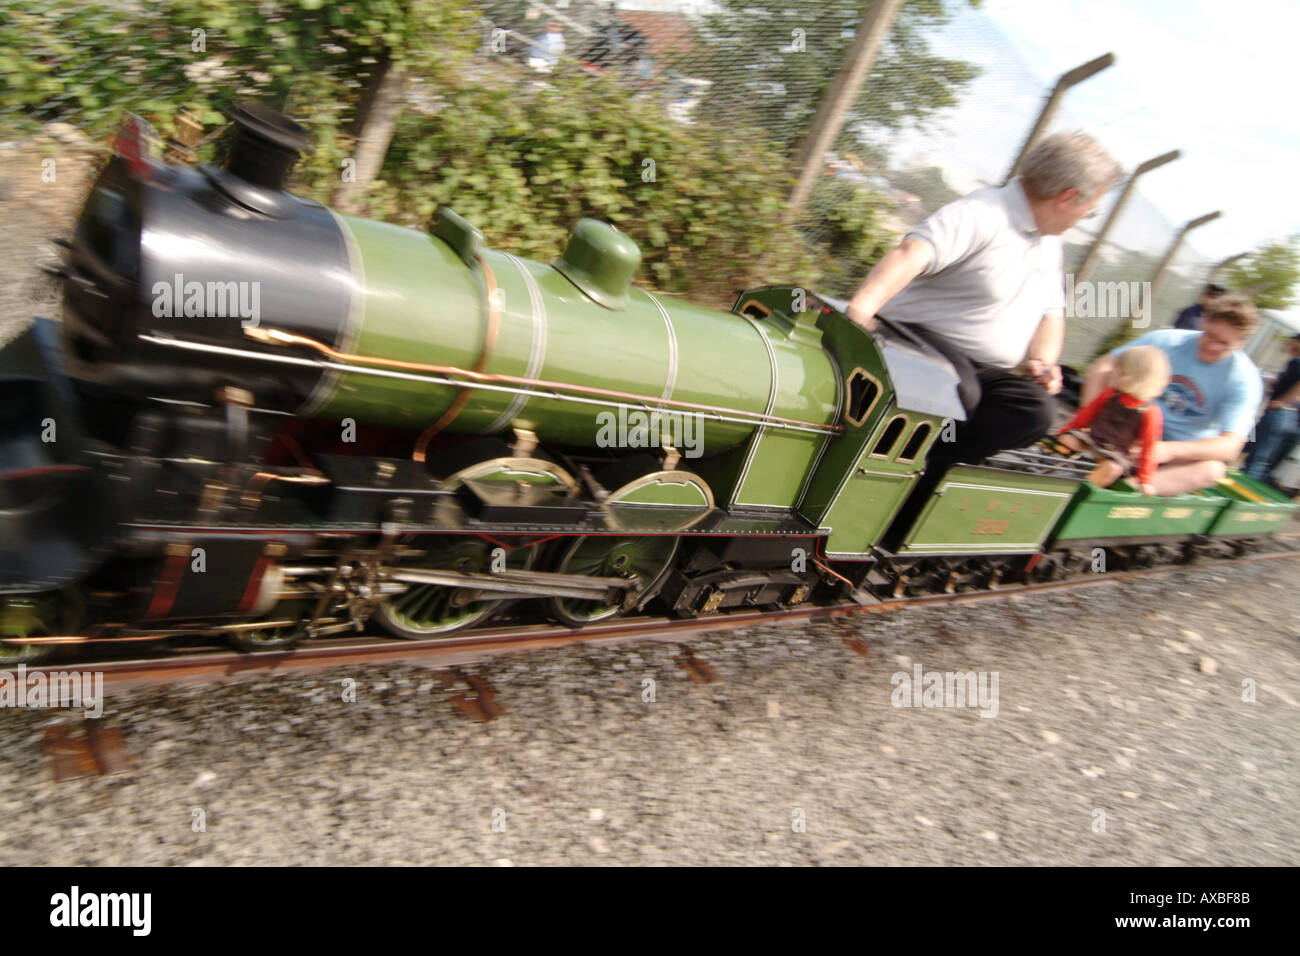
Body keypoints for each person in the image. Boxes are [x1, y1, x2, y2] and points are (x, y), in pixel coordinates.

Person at [843, 131, 1121, 475]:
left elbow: (1051, 314)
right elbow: (911, 254)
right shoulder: (983, 213)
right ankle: (884, 468)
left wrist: (1042, 362)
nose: (1084, 218)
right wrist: (858, 313)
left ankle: (931, 474)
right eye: (1090, 211)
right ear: (1067, 197)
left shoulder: (1050, 242)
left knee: (1033, 412)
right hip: (913, 340)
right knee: (959, 392)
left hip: (979, 368)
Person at [1080, 295, 1263, 495]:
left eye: (1224, 343)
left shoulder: (1244, 380)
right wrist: (1090, 413)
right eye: (1210, 335)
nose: (1212, 346)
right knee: (1111, 374)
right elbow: (1104, 364)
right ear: (1204, 321)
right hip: (1127, 427)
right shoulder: (1167, 340)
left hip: (1175, 451)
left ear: (1240, 344)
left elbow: (1230, 446)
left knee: (1212, 470)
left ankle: (1124, 492)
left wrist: (1165, 450)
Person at [1051, 345, 1169, 495]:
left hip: (1116, 453)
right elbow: (1086, 415)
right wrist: (1066, 430)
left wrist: (1145, 479)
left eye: (1119, 371)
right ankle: (1053, 471)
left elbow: (1149, 447)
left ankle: (1075, 491)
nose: (1114, 373)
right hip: (1093, 439)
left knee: (1112, 469)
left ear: (1130, 378)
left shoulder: (1150, 412)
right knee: (1068, 440)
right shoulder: (1110, 394)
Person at [1242, 332, 1300, 482]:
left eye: (1290, 342)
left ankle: (1245, 493)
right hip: (1288, 418)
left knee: (1256, 461)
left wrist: (1283, 401)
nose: (1287, 346)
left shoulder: (1297, 361)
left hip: (1279, 415)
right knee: (1249, 446)